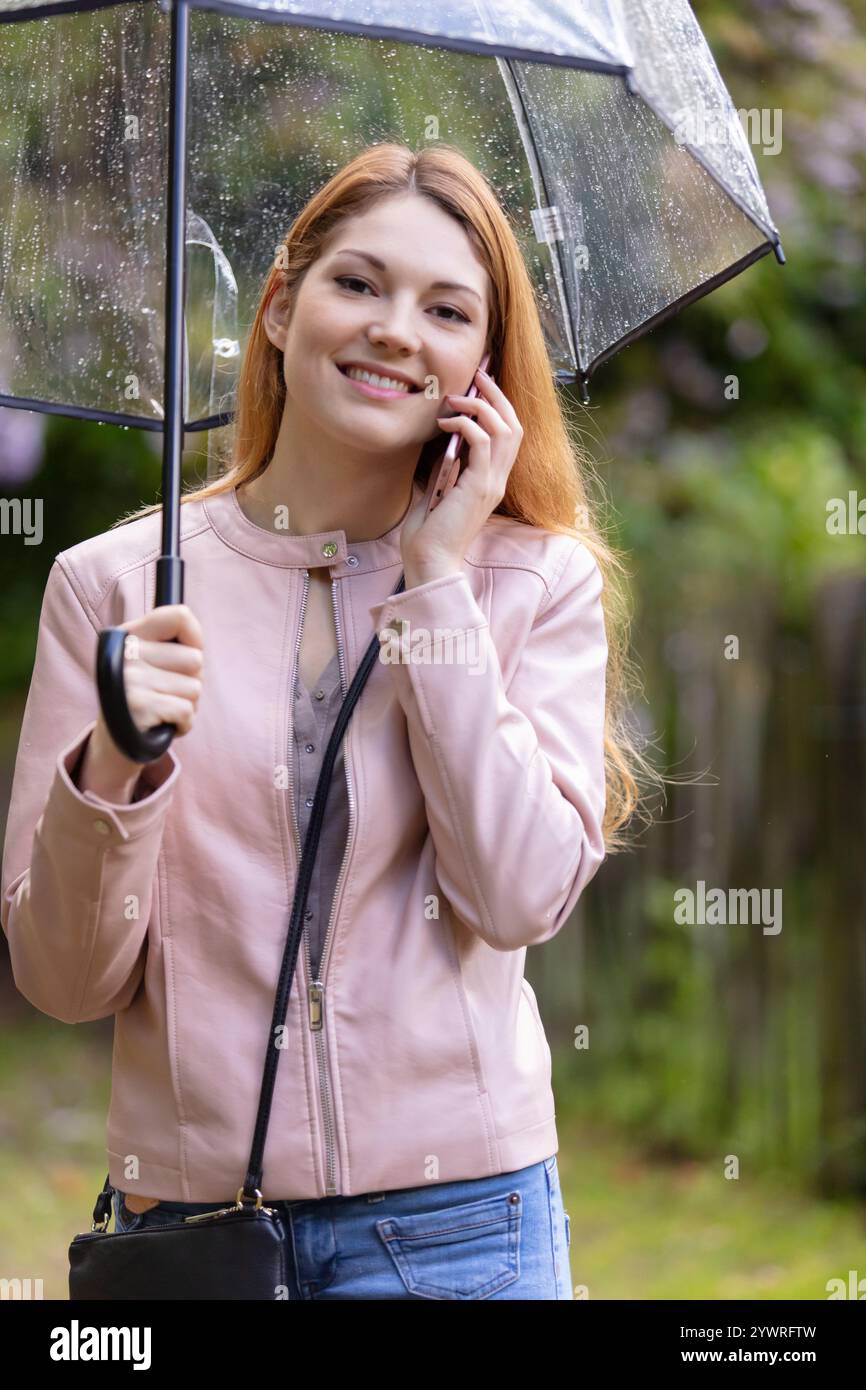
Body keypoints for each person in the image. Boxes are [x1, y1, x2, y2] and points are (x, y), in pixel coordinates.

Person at [1, 142, 648, 1300]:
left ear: (481, 371)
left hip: (462, 1231)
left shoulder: (530, 583)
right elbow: (63, 979)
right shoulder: (113, 588)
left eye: (445, 309)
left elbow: (513, 895)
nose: (396, 329)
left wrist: (435, 583)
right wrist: (112, 764)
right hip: (194, 1234)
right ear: (279, 306)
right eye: (357, 284)